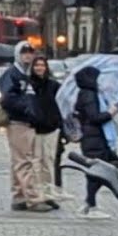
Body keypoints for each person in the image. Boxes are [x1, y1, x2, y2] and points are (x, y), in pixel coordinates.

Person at [0, 41, 51, 212]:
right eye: (24, 52)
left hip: (26, 122)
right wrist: (27, 109)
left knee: (19, 161)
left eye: (30, 52)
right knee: (24, 161)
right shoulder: (12, 74)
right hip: (18, 122)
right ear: (17, 54)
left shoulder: (25, 74)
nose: (27, 55)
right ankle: (33, 199)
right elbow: (8, 98)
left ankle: (19, 196)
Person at [73, 66, 118, 219]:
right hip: (94, 138)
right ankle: (91, 205)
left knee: (97, 171)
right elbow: (94, 117)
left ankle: (89, 203)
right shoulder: (89, 94)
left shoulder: (87, 93)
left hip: (92, 137)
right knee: (98, 172)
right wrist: (110, 113)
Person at [29, 55, 65, 207]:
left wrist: (60, 126)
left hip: (51, 127)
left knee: (49, 161)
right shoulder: (29, 85)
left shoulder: (54, 85)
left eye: (42, 65)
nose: (39, 68)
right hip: (34, 128)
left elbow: (61, 105)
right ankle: (38, 193)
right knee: (36, 161)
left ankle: (49, 193)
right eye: (37, 65)